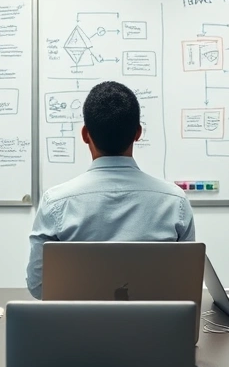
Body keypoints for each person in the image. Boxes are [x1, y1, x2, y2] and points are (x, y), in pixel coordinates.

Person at [27, 81, 196, 299]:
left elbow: (38, 286)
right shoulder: (175, 201)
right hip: (153, 321)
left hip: (79, 321)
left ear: (85, 134)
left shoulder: (56, 202)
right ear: (138, 133)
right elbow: (185, 286)